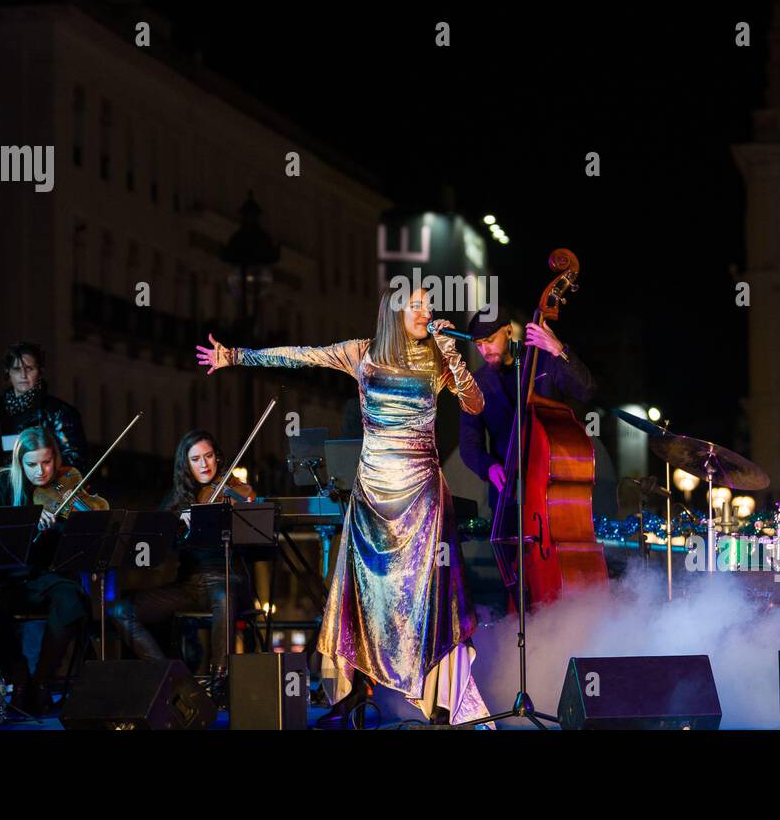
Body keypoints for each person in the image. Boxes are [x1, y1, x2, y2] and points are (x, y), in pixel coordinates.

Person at [196, 286, 490, 726]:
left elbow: (475, 404)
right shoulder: (362, 353)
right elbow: (301, 356)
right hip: (373, 497)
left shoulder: (436, 357)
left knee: (428, 598)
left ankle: (440, 701)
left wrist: (452, 355)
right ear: (393, 312)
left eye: (429, 305)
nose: (426, 312)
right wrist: (236, 355)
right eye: (416, 305)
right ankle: (356, 690)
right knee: (363, 598)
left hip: (423, 498)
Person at [109, 430, 255, 677]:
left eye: (208, 456)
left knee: (224, 595)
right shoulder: (177, 498)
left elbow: (253, 536)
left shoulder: (234, 491)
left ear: (218, 458)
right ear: (186, 465)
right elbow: (153, 543)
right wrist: (175, 522)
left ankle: (220, 678)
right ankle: (169, 674)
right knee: (121, 610)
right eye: (195, 459)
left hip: (229, 578)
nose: (204, 464)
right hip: (189, 585)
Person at [0, 427, 90, 715]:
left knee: (71, 600)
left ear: (56, 459)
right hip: (8, 577)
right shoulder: (3, 483)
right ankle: (19, 680)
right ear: (20, 463)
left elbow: (81, 540)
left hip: (48, 575)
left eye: (47, 462)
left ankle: (42, 681)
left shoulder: (66, 485)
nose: (41, 471)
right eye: (32, 464)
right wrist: (27, 519)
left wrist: (68, 526)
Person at [459, 307, 594, 516]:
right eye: (479, 344)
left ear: (508, 331)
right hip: (508, 495)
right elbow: (469, 444)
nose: (485, 350)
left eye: (490, 341)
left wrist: (558, 350)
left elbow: (585, 390)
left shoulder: (544, 361)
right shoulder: (476, 384)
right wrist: (489, 467)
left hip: (552, 490)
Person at [0, 342, 88, 484]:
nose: (23, 375)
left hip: (43, 488)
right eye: (16, 369)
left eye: (29, 369)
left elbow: (75, 459)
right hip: (5, 488)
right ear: (8, 372)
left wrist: (44, 481)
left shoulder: (59, 411)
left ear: (40, 371)